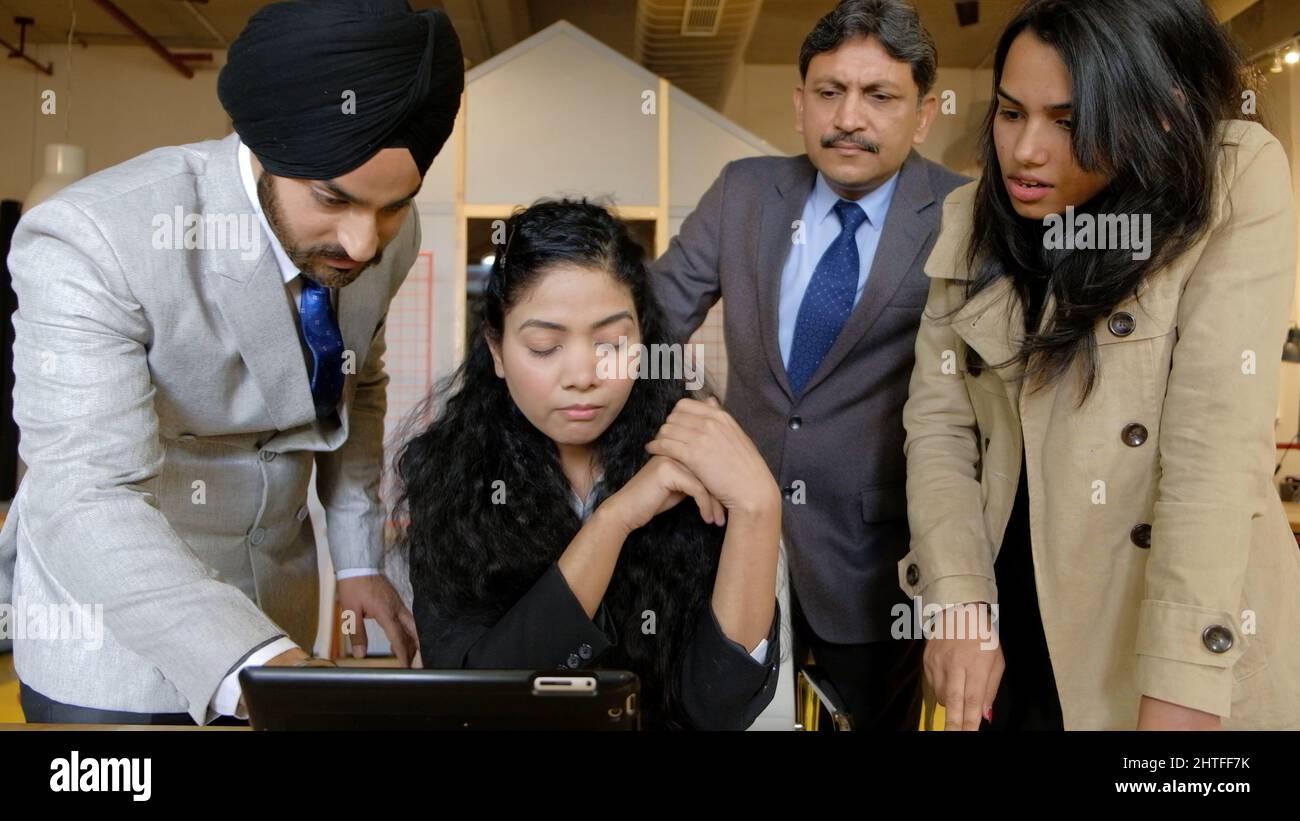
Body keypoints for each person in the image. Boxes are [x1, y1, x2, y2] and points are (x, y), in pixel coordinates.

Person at [0, 0, 464, 725]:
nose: (364, 243)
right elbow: (85, 494)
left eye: (394, 207)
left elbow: (357, 382)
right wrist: (255, 660)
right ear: (261, 149)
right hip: (112, 648)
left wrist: (360, 559)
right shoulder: (95, 238)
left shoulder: (382, 234)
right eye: (331, 198)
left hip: (279, 609)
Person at [901, 0, 1300, 730]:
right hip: (1012, 635)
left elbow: (1213, 452)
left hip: (1162, 634)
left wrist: (1180, 688)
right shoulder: (973, 217)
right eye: (1011, 112)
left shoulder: (1233, 177)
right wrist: (956, 594)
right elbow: (939, 427)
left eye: (1068, 120)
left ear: (1153, 112)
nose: (1025, 150)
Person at [649, 0, 966, 729]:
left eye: (880, 96)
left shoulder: (964, 214)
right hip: (729, 549)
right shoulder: (743, 193)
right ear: (800, 104)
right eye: (829, 92)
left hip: (878, 567)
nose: (849, 117)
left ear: (923, 113)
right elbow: (650, 328)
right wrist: (691, 438)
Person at [400, 199, 782, 730]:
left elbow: (720, 710)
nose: (583, 374)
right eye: (544, 346)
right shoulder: (444, 474)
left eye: (611, 342)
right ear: (497, 350)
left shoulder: (694, 460)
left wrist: (759, 508)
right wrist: (614, 520)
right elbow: (484, 703)